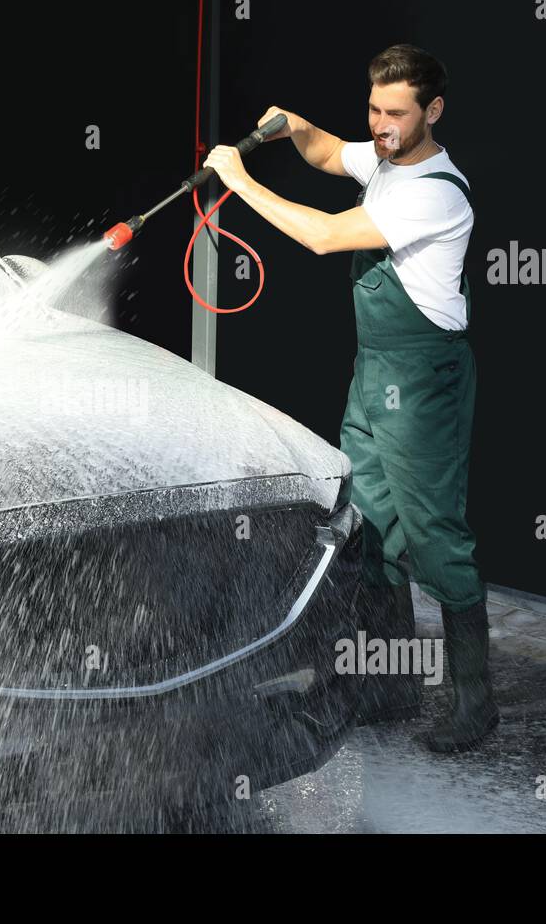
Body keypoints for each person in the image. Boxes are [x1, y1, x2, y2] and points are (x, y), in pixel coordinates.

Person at [201, 44, 497, 752]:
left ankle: (475, 706)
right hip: (375, 374)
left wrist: (237, 178)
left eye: (397, 113)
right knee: (366, 531)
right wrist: (293, 126)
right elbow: (335, 153)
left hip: (425, 383)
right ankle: (385, 684)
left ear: (433, 111)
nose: (382, 125)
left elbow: (327, 236)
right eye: (374, 109)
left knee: (435, 539)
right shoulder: (388, 161)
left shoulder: (435, 189)